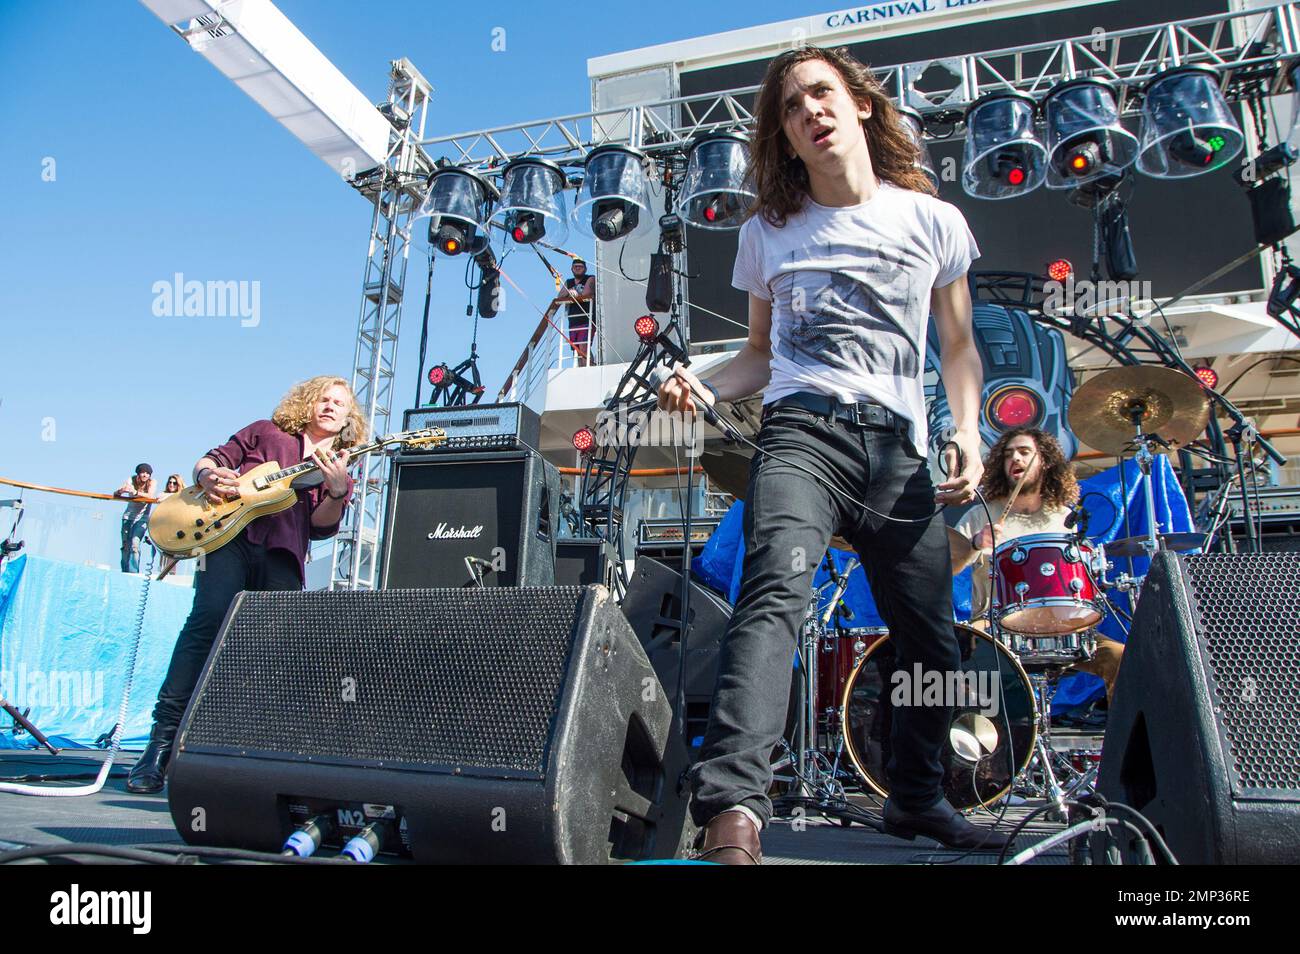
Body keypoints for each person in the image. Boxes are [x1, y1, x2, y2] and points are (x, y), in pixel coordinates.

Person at [658, 45, 1006, 862]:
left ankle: (916, 799)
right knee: (773, 589)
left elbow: (957, 345)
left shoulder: (932, 219)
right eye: (789, 106)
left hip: (900, 450)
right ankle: (733, 809)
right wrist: (705, 385)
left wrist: (967, 430)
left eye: (821, 93)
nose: (808, 111)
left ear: (859, 105)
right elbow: (757, 353)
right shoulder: (766, 232)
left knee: (935, 643)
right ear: (781, 136)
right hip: (802, 432)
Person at [126, 376, 364, 794]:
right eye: (323, 399)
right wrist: (208, 476)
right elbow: (213, 458)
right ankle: (159, 747)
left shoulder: (340, 461)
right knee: (206, 624)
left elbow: (321, 528)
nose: (329, 407)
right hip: (227, 541)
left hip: (283, 554)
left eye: (338, 404)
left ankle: (246, 755)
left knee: (271, 648)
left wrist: (337, 492)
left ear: (349, 417)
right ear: (308, 403)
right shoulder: (266, 431)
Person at [955, 427, 1124, 700]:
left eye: (1024, 452)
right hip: (995, 629)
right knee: (954, 674)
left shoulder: (1065, 517)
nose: (1015, 459)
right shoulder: (981, 515)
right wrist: (975, 543)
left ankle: (1122, 742)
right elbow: (947, 566)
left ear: (1044, 461)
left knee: (1121, 659)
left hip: (1065, 629)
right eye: (1009, 454)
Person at [114, 464, 157, 573]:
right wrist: (121, 491)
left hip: (142, 519)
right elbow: (116, 493)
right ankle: (124, 571)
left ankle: (133, 572)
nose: (145, 475)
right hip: (128, 517)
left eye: (147, 473)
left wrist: (135, 493)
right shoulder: (131, 480)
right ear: (138, 473)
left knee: (135, 545)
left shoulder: (152, 482)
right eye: (143, 472)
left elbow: (151, 496)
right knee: (125, 545)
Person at [551, 258, 594, 364]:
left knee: (584, 346)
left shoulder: (590, 278)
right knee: (577, 349)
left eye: (580, 267)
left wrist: (575, 294)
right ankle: (582, 370)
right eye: (576, 267)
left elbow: (586, 293)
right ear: (572, 269)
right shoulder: (569, 282)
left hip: (587, 318)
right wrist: (569, 292)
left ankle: (589, 368)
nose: (578, 268)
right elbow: (560, 296)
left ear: (585, 269)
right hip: (573, 319)